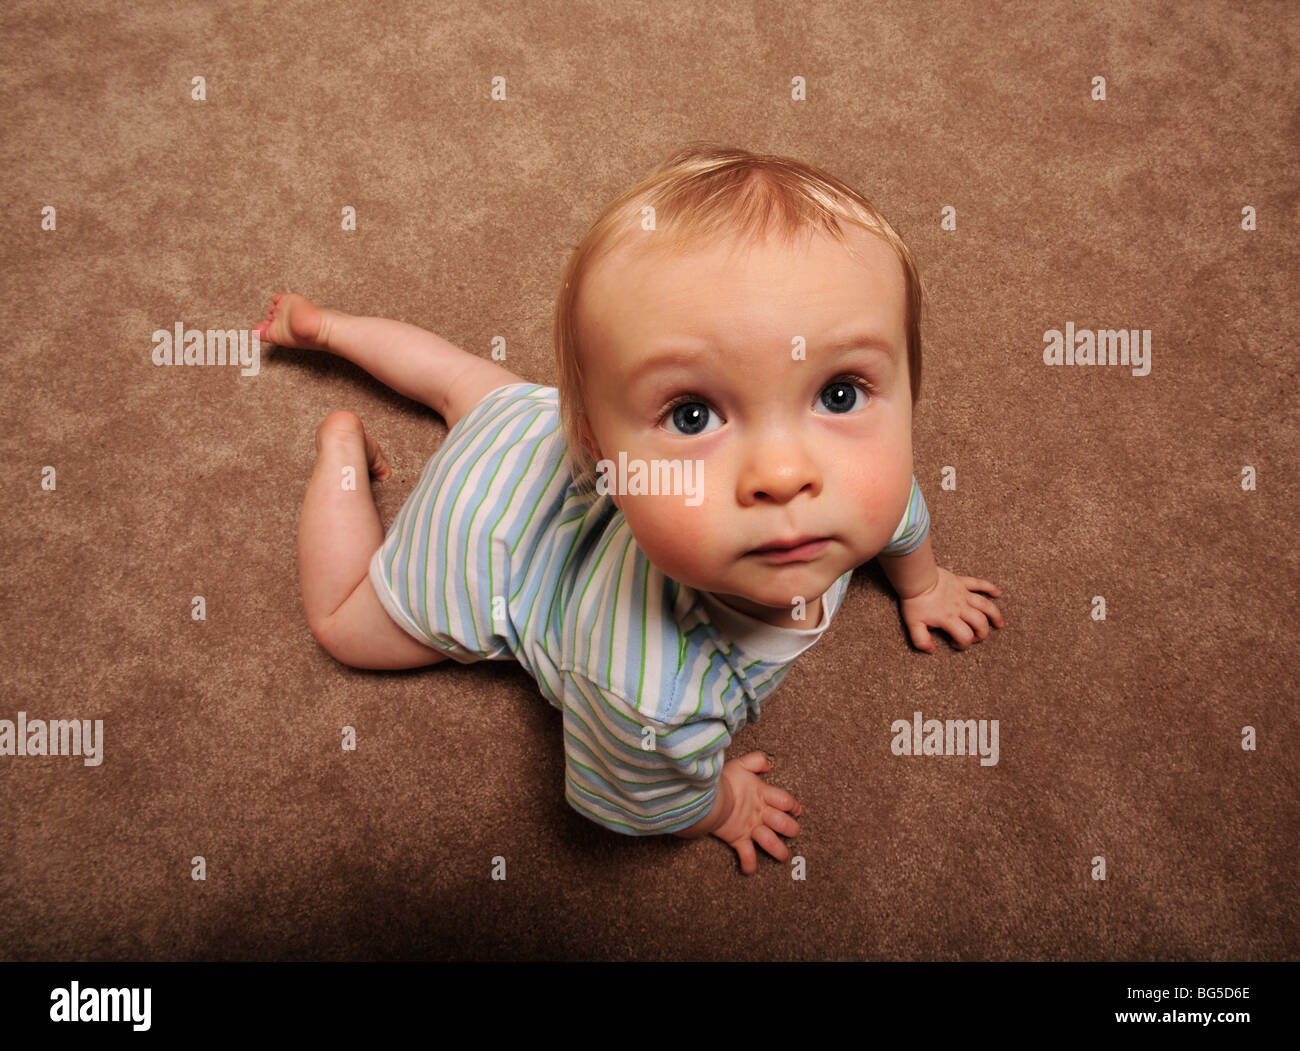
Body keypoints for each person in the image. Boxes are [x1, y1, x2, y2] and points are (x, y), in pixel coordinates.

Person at [254, 144, 1005, 875]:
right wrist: (719, 805)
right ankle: (341, 453)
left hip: (522, 423)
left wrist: (924, 583)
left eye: (839, 394)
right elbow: (640, 799)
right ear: (598, 456)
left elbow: (901, 508)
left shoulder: (863, 486)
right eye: (691, 415)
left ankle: (329, 329)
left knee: (464, 384)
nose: (785, 474)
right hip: (478, 546)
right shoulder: (648, 692)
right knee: (344, 622)